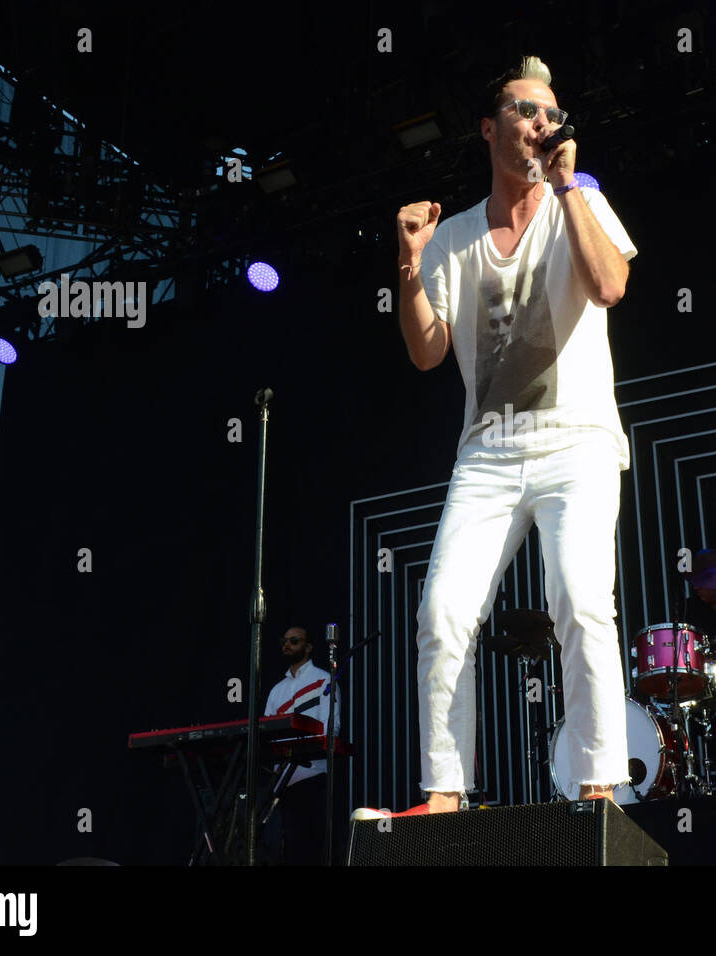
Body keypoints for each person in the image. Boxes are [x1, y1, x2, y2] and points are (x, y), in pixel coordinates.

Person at [355, 55, 636, 819]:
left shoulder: (582, 199)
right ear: (490, 127)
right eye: (524, 112)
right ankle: (445, 792)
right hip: (487, 451)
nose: (540, 125)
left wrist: (570, 184)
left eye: (550, 114)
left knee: (579, 598)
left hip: (576, 440)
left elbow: (610, 285)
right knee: (442, 611)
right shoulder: (457, 237)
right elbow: (425, 352)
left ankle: (597, 786)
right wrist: (410, 266)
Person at [265, 625, 339, 863]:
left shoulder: (324, 680)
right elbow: (266, 734)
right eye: (284, 641)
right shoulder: (277, 690)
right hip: (282, 784)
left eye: (294, 641)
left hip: (312, 777)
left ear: (308, 647)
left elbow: (332, 728)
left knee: (309, 850)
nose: (287, 645)